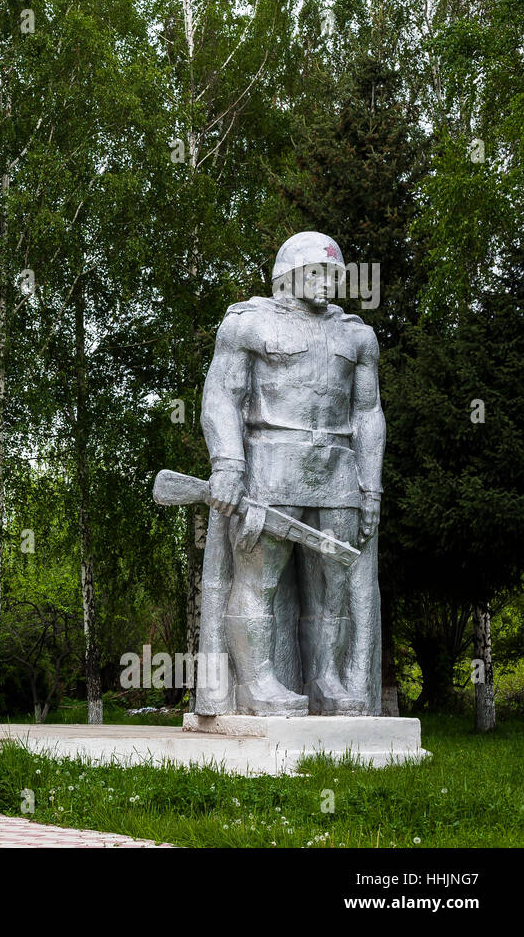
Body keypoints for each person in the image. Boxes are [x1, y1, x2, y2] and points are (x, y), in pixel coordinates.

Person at [200, 231, 385, 715]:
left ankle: (327, 680)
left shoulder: (357, 335)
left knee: (335, 584)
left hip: (338, 470)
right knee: (260, 580)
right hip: (270, 467)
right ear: (289, 275)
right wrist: (228, 463)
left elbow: (368, 413)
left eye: (335, 275)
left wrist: (372, 486)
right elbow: (221, 396)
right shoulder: (248, 323)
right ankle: (258, 683)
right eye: (318, 273)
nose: (329, 283)